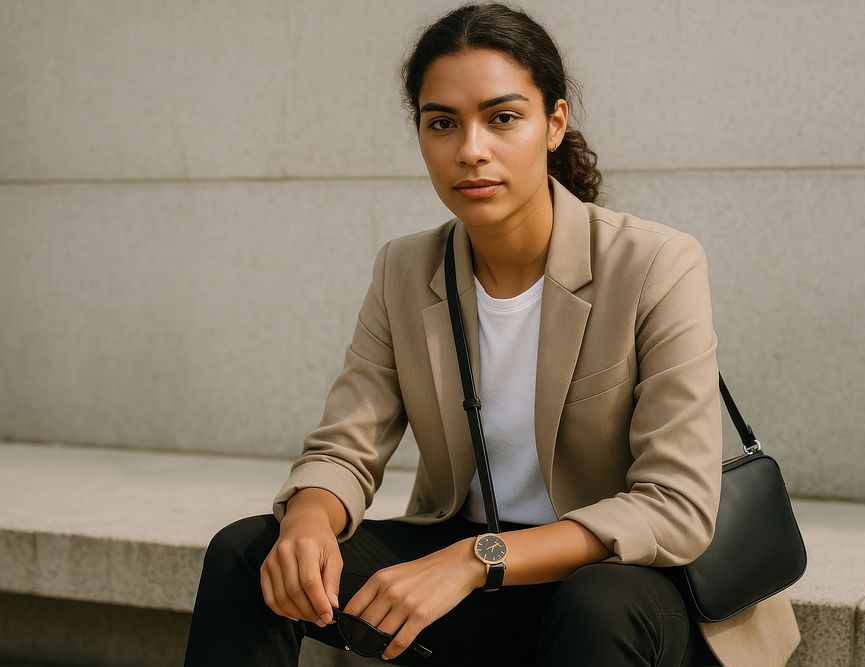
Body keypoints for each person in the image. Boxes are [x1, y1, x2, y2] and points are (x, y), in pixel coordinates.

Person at [183, 3, 801, 666]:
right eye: (442, 123)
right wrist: (306, 522)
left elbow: (673, 506)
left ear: (554, 123)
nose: (471, 149)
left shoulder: (654, 263)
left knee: (597, 604)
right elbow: (345, 446)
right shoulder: (406, 269)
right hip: (476, 570)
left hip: (633, 581)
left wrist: (478, 558)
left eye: (502, 117)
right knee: (246, 553)